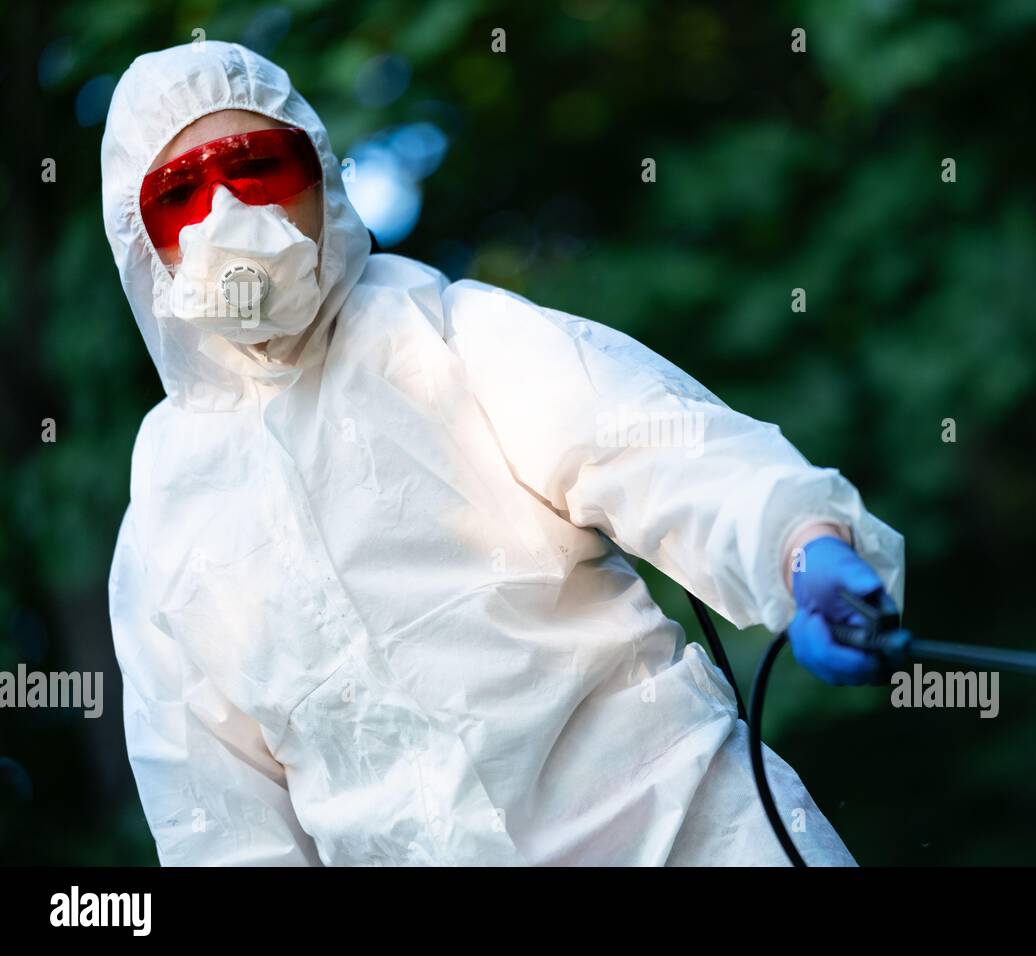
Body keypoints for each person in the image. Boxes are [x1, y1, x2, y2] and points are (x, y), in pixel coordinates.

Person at [101, 41, 905, 867]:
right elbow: (220, 824)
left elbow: (659, 447)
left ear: (321, 177)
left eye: (258, 167)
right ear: (141, 246)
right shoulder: (166, 521)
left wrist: (800, 545)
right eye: (178, 196)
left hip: (694, 835)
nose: (227, 212)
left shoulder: (447, 338)